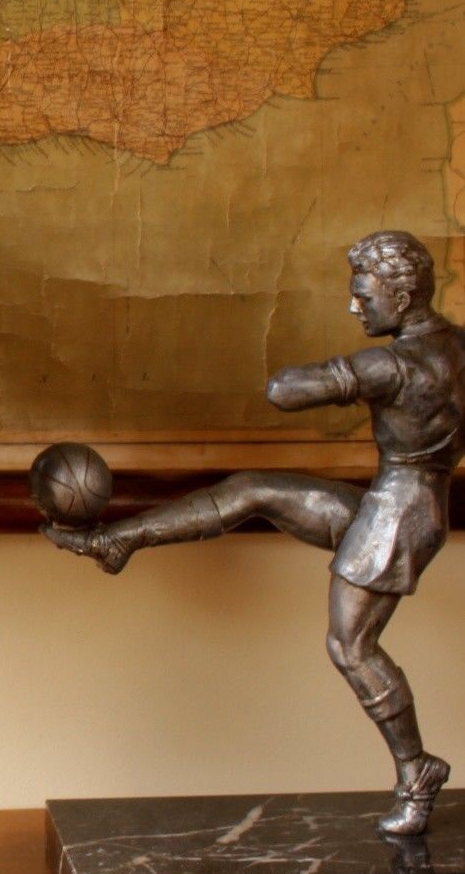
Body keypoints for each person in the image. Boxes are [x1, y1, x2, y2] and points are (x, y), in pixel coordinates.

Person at [45, 231, 463, 835]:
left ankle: (416, 770)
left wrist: (324, 372)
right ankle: (120, 540)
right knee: (251, 489)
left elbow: (284, 391)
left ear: (401, 296)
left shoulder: (393, 365)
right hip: (401, 501)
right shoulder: (456, 346)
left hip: (396, 519)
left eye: (362, 295)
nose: (354, 307)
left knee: (351, 647)